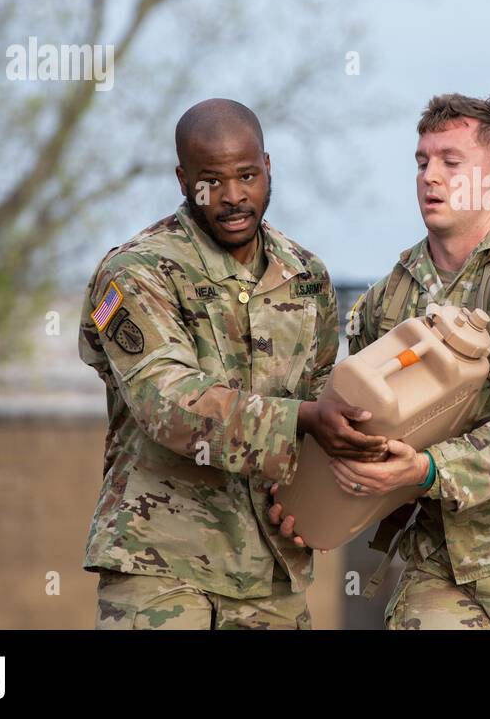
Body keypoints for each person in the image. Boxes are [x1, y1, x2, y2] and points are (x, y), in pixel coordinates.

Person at [273, 93, 490, 628]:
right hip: (439, 561)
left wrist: (428, 469)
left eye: (451, 162)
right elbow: (357, 422)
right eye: (422, 162)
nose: (430, 177)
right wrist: (310, 498)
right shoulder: (388, 297)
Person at [81, 98, 383, 629]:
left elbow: (322, 401)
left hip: (270, 572)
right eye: (212, 181)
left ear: (268, 167)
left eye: (248, 175)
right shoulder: (136, 273)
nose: (234, 196)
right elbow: (166, 404)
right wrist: (300, 420)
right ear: (183, 180)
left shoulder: (307, 275)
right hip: (161, 563)